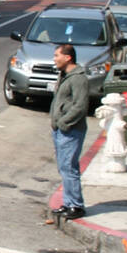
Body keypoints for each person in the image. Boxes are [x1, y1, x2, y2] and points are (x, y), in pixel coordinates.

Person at [49, 43, 89, 219]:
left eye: (57, 55)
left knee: (69, 168)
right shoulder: (64, 76)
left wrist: (64, 122)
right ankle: (68, 203)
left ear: (68, 57)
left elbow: (80, 106)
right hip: (61, 130)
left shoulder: (78, 78)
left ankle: (76, 206)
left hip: (71, 130)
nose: (54, 59)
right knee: (64, 167)